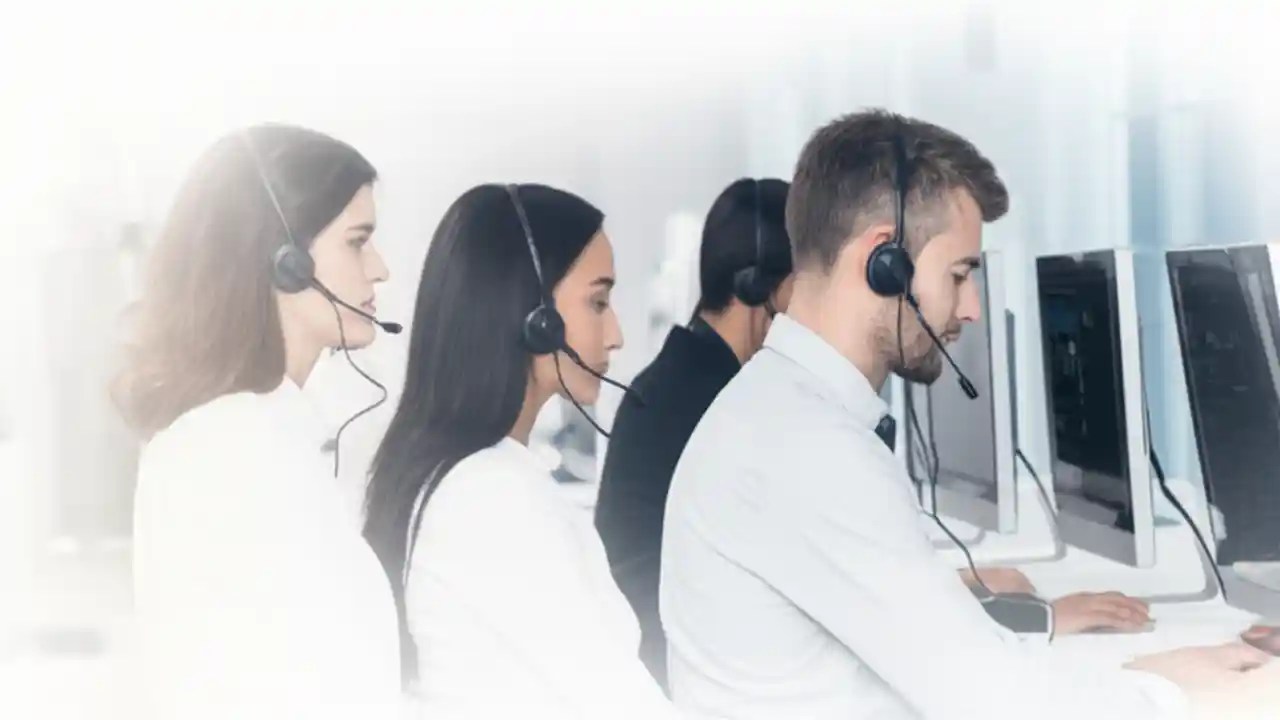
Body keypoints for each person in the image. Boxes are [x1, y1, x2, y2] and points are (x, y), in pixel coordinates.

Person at [659, 110, 1276, 719]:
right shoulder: (807, 448)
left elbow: (952, 663)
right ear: (885, 264)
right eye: (960, 274)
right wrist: (1174, 692)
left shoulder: (780, 410)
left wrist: (1143, 676)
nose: (973, 307)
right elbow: (991, 702)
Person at [597, 178, 1149, 693]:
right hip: (671, 672)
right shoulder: (751, 416)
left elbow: (837, 580)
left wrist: (943, 588)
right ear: (760, 287)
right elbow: (946, 668)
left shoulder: (691, 381)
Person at [115, 125, 403, 719]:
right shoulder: (232, 444)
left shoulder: (261, 429)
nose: (379, 269)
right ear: (286, 262)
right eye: (357, 241)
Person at [362, 184, 679, 718]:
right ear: (536, 319)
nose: (617, 333)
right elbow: (619, 700)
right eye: (598, 302)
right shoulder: (491, 494)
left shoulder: (464, 476)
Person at [595, 177, 793, 690]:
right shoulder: (720, 405)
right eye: (808, 286)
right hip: (684, 680)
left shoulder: (682, 377)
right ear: (761, 288)